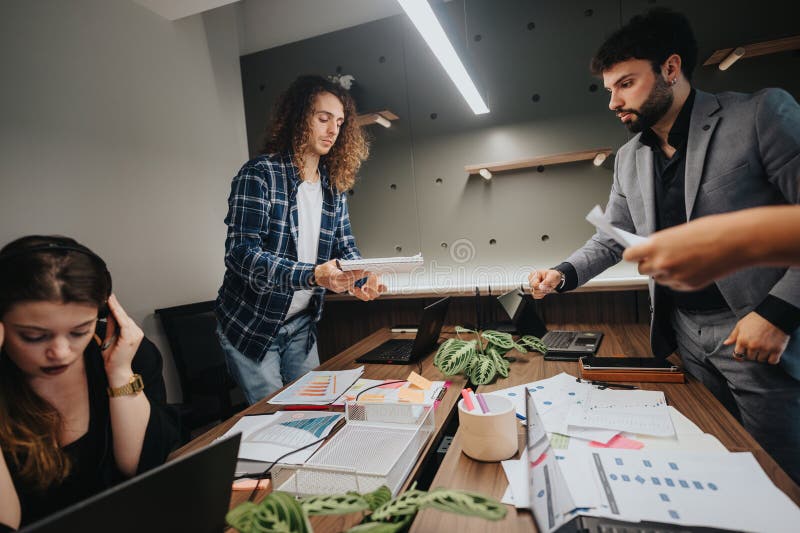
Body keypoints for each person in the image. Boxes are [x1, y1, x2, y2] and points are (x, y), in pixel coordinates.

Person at [528, 8, 800, 483]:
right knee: (718, 466)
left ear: (670, 69)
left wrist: (777, 314)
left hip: (759, 332)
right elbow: (610, 237)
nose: (612, 101)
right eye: (609, 88)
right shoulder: (629, 158)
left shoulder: (760, 114)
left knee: (780, 475)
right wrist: (563, 273)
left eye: (626, 84)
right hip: (683, 337)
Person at [215, 75, 385, 405]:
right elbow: (241, 254)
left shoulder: (333, 188)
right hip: (253, 326)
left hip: (301, 326)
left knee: (312, 412)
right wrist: (311, 274)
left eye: (339, 122)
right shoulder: (259, 174)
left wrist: (362, 278)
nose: (333, 130)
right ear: (298, 117)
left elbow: (346, 247)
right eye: (323, 119)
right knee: (275, 420)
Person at [0, 236, 181, 530]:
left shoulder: (129, 355)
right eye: (34, 336)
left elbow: (146, 467)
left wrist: (119, 372)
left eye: (79, 331)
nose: (60, 352)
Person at [623, 205, 800, 292]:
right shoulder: (627, 157)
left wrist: (776, 314)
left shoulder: (758, 131)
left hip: (751, 320)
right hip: (679, 326)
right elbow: (607, 240)